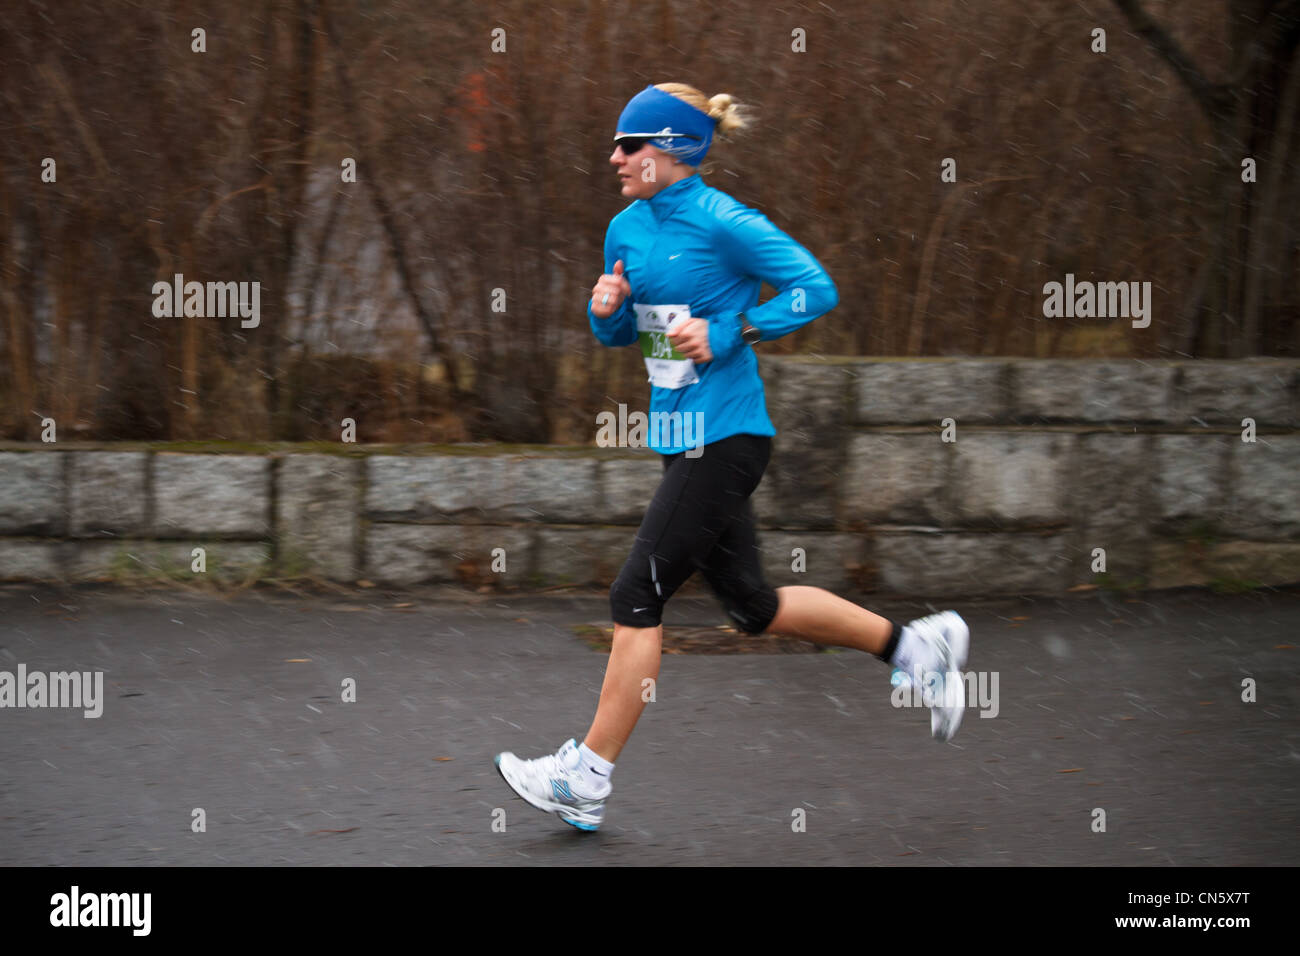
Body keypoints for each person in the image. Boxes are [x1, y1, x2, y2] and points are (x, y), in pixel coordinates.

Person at [495, 83, 969, 831]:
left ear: (674, 149)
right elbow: (628, 341)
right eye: (616, 144)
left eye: (631, 144)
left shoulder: (727, 223)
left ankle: (584, 776)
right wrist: (605, 311)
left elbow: (819, 289)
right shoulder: (625, 226)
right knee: (752, 605)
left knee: (635, 597)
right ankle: (914, 646)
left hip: (728, 437)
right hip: (677, 438)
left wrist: (733, 331)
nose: (614, 156)